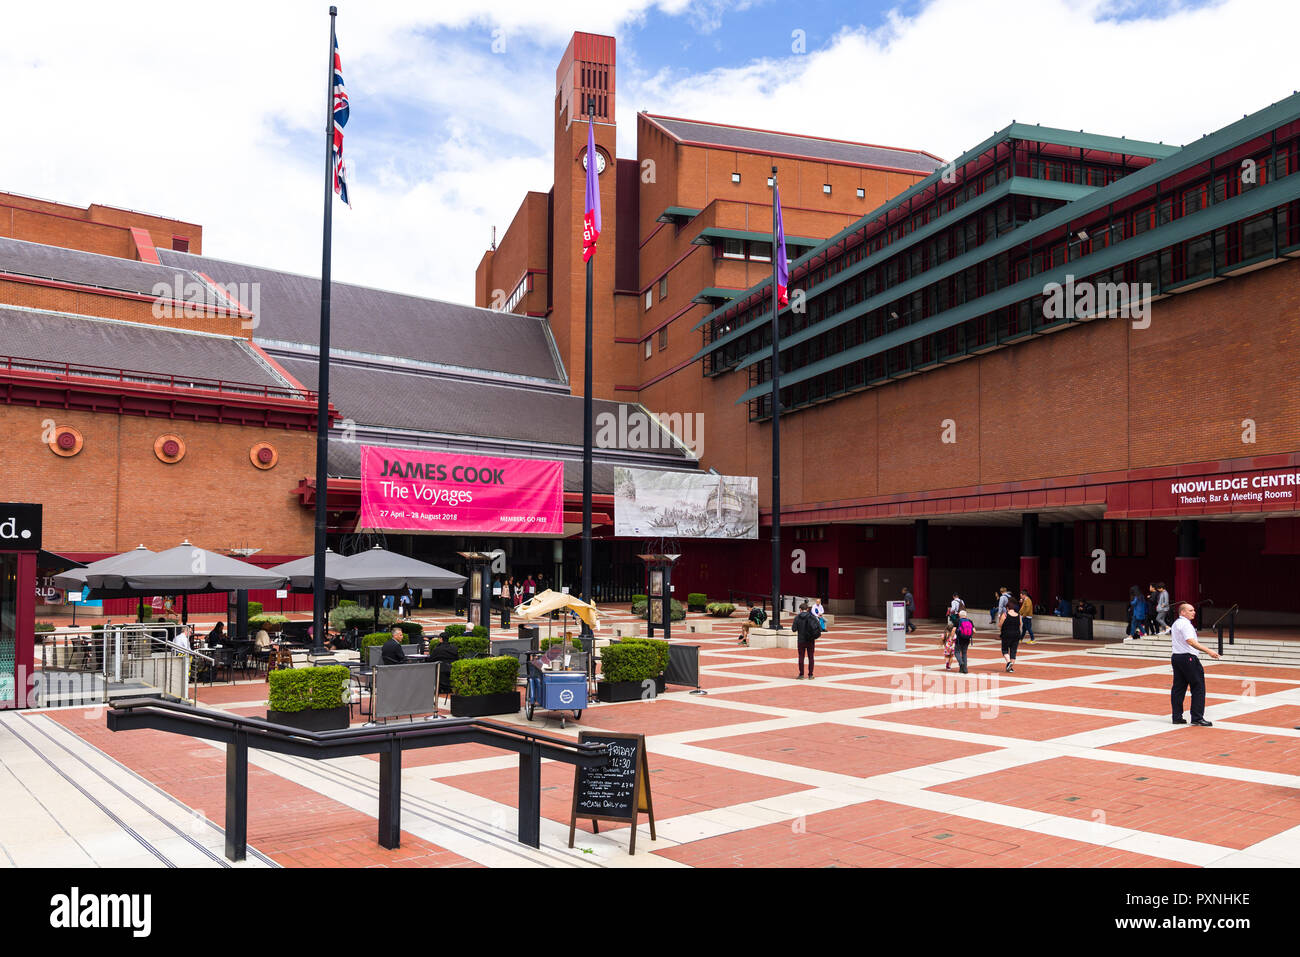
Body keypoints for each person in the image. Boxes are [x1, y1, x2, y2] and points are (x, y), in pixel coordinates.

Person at [1170, 600, 1220, 725]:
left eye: (1193, 610)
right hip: (1188, 658)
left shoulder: (1176, 623)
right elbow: (1190, 641)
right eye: (1190, 610)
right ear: (1182, 612)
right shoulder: (1186, 624)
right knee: (1198, 687)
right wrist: (1209, 651)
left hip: (1177, 657)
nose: (1194, 612)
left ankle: (1176, 716)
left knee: (1178, 688)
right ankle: (1197, 717)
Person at [791, 601, 822, 679]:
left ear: (800, 609)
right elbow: (818, 627)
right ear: (807, 609)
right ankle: (810, 675)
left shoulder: (797, 617)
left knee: (801, 657)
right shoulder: (812, 617)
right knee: (811, 657)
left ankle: (801, 675)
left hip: (801, 640)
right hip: (810, 640)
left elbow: (793, 629)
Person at [997, 598, 1021, 673]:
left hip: (1006, 634)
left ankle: (1008, 662)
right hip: (1016, 634)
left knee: (1005, 650)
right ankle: (1010, 667)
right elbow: (1020, 624)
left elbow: (1000, 625)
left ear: (1007, 608)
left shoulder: (1005, 615)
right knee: (1013, 651)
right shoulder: (1018, 615)